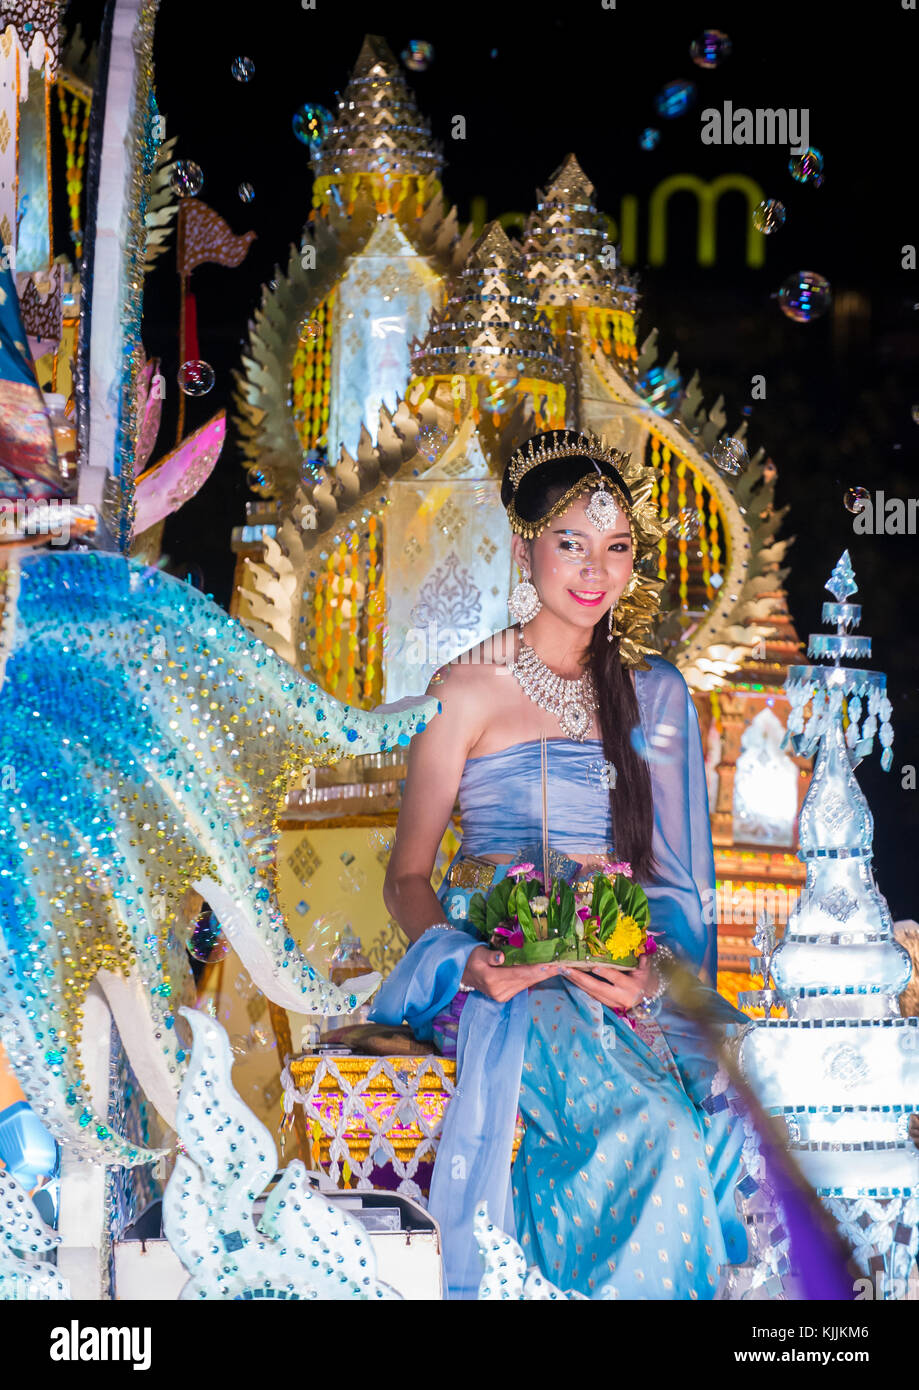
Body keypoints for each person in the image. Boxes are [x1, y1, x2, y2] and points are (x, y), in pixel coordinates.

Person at [369, 429, 749, 1299]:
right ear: (521, 546)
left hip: (623, 979)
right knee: (652, 1133)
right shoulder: (463, 688)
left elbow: (679, 885)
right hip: (512, 984)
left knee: (743, 1107)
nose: (593, 570)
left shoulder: (655, 693)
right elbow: (407, 878)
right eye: (570, 543)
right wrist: (469, 964)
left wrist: (654, 984)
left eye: (614, 548)